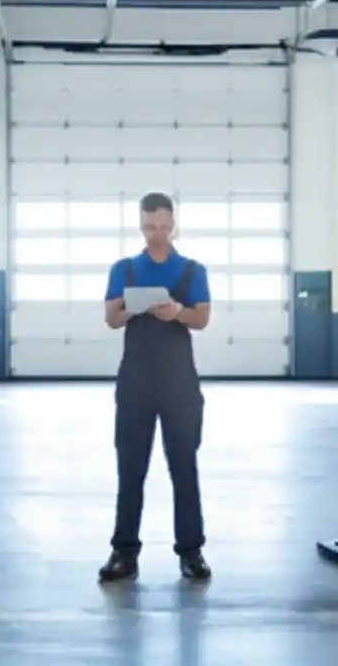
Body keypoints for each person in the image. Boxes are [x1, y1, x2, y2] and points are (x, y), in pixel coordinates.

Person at [98, 192, 213, 582]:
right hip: (136, 383)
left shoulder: (192, 271)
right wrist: (134, 306)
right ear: (140, 225)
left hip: (179, 384)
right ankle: (123, 552)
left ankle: (191, 552)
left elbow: (202, 319)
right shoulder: (125, 269)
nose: (157, 235)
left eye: (164, 227)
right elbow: (111, 318)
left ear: (174, 224)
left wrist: (177, 312)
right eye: (150, 227)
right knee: (131, 468)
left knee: (184, 468)